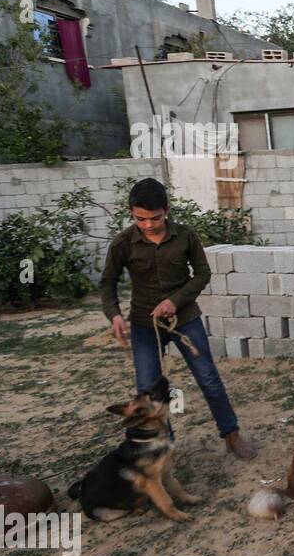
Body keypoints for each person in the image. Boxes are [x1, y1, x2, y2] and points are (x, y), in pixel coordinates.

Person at [101, 177, 257, 459]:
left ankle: (232, 435)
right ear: (131, 213)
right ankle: (165, 447)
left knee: (208, 378)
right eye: (140, 219)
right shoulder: (123, 243)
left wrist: (175, 301)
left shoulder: (185, 236)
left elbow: (202, 274)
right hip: (144, 324)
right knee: (148, 391)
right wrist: (114, 315)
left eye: (155, 218)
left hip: (185, 319)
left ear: (167, 210)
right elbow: (107, 283)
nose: (148, 225)